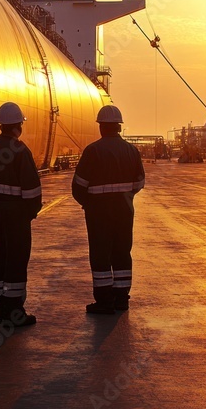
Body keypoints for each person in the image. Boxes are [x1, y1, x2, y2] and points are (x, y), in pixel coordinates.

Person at [72, 105, 145, 314]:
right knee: (122, 252)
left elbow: (78, 186)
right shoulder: (132, 151)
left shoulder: (93, 151)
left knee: (101, 253)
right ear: (119, 127)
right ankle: (122, 299)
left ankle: (104, 301)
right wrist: (126, 196)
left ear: (101, 127)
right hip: (124, 211)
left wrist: (88, 203)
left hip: (98, 214)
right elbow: (139, 182)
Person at [0, 102, 43, 327]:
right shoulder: (21, 150)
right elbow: (32, 190)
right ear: (17, 125)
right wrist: (30, 212)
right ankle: (15, 310)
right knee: (16, 257)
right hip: (16, 212)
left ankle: (1, 307)